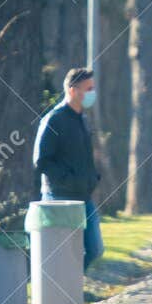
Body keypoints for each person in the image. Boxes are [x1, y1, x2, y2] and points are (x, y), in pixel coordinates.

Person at [33, 66, 104, 270]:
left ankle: (71, 286)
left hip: (84, 197)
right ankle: (63, 294)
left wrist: (93, 178)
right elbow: (42, 160)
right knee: (63, 254)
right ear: (73, 90)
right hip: (60, 198)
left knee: (95, 249)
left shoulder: (82, 118)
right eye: (88, 88)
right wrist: (67, 180)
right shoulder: (54, 119)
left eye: (93, 88)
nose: (92, 93)